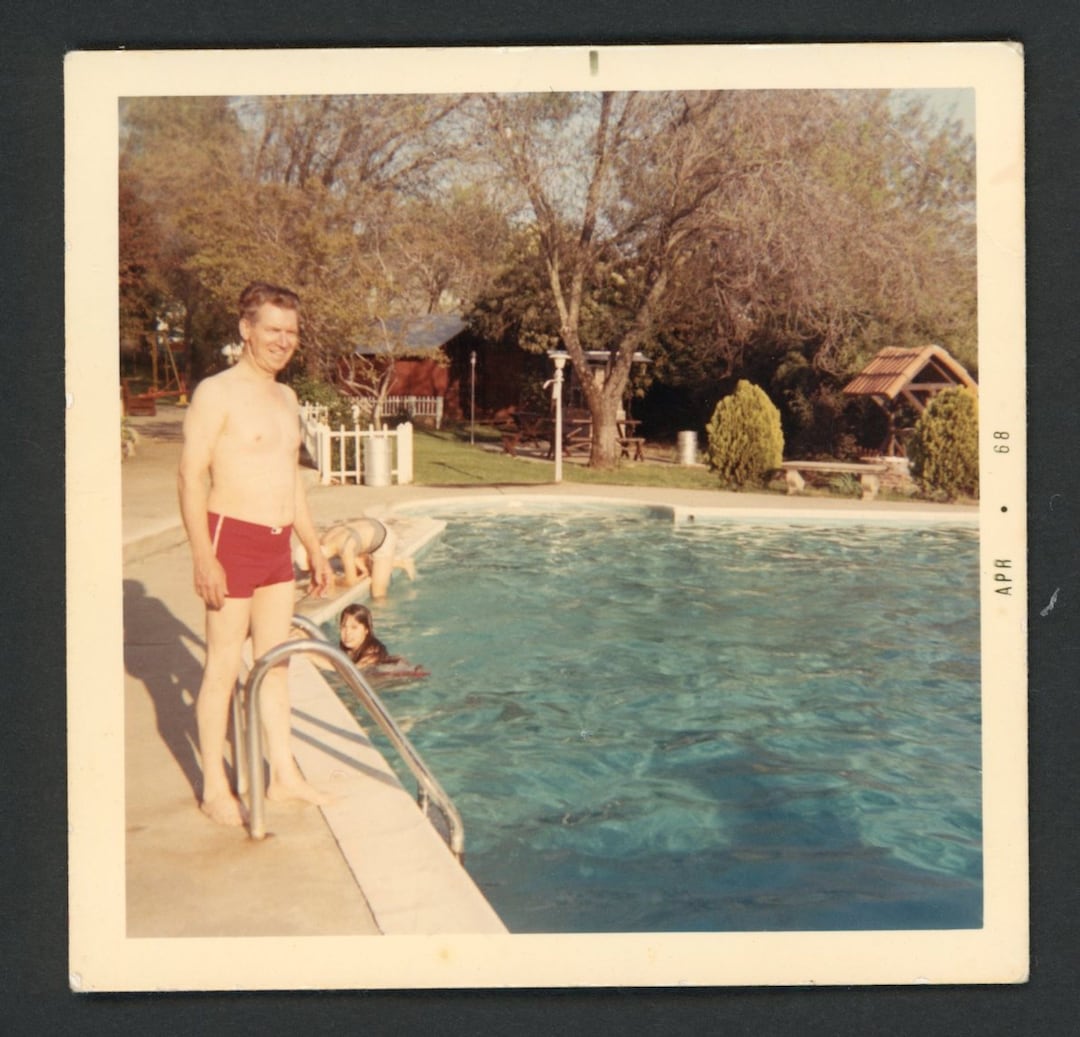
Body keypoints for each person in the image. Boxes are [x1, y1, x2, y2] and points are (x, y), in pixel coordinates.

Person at [177, 281, 333, 827]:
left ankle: (283, 775)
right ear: (246, 329)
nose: (282, 340)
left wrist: (312, 546)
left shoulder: (286, 398)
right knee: (223, 665)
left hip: (275, 545)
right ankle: (214, 789)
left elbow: (290, 480)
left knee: (276, 663)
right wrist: (203, 556)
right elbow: (190, 476)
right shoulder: (216, 393)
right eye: (272, 329)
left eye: (291, 332)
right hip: (231, 541)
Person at [297, 516, 416, 600]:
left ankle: (402, 563)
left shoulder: (345, 549)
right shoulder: (325, 540)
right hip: (368, 529)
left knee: (377, 593)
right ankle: (399, 563)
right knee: (365, 570)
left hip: (384, 539)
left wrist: (334, 580)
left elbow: (351, 582)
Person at [336, 603, 428, 679]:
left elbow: (352, 673)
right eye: (344, 626)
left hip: (406, 675)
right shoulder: (347, 650)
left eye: (354, 627)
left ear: (366, 630)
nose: (347, 632)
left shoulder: (372, 650)